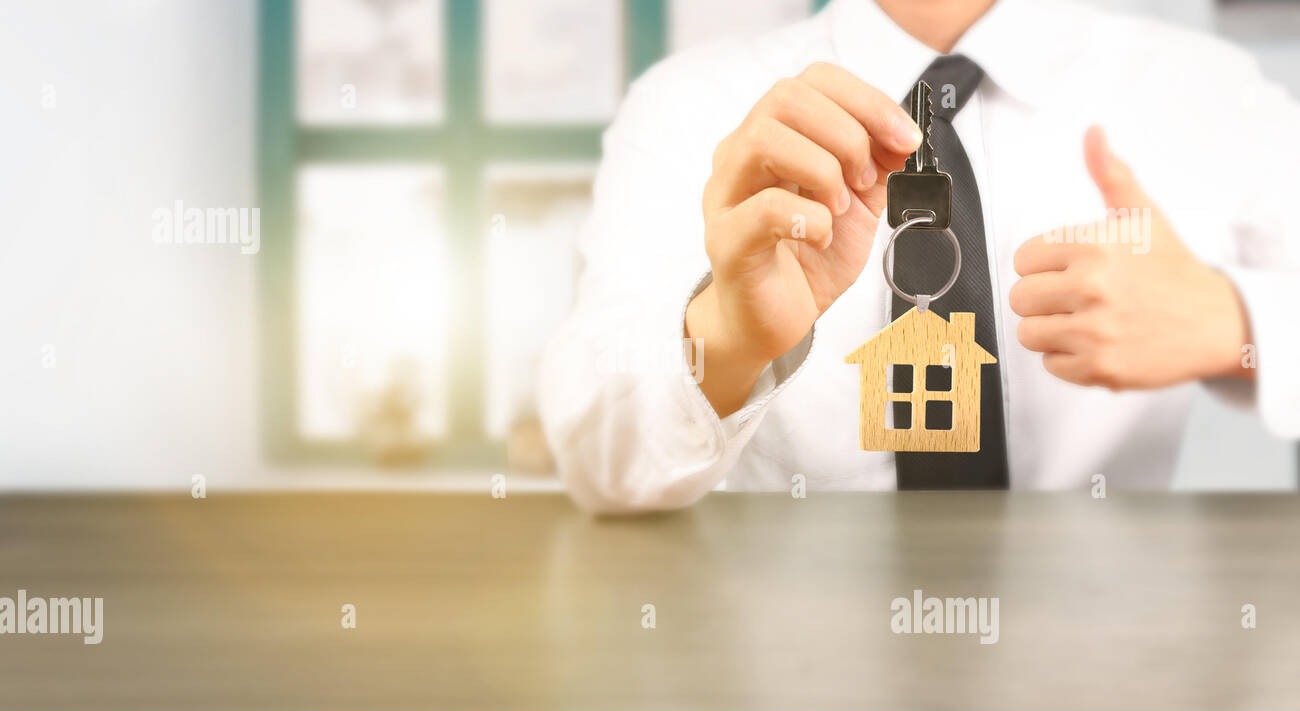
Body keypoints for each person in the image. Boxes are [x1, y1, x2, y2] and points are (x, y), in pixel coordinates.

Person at [538, 0, 1300, 512]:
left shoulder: (1211, 94)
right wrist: (728, 336)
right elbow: (599, 465)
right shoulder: (687, 108)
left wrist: (1237, 323)